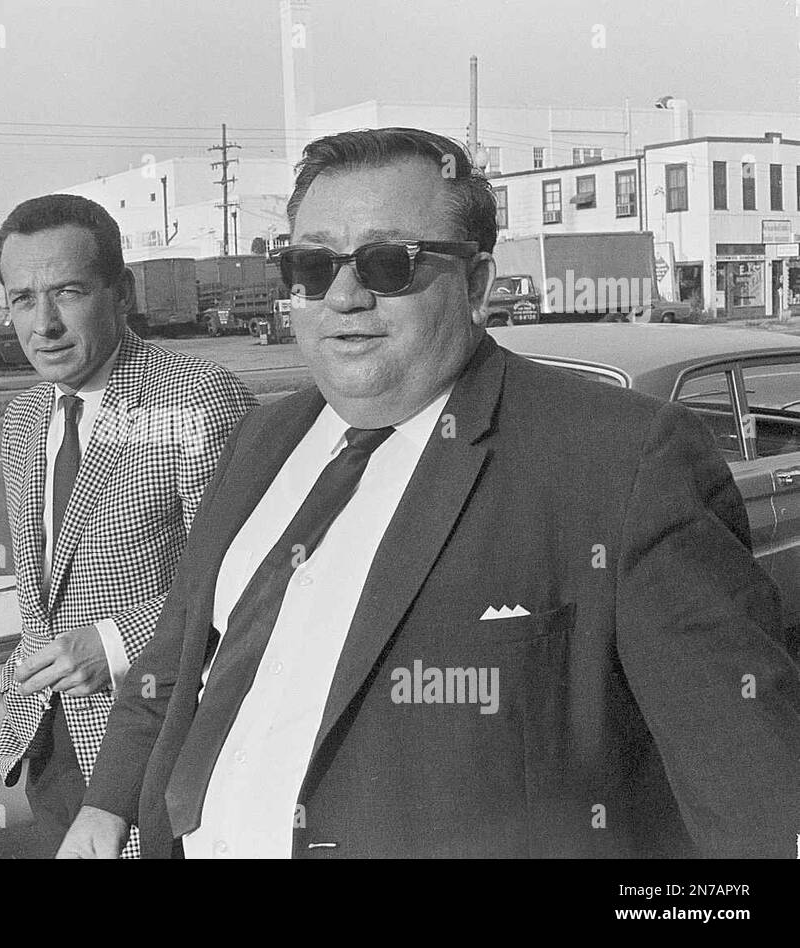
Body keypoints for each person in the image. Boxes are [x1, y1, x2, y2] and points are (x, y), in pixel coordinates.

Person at [59, 128, 800, 859]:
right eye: (312, 266)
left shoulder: (621, 462)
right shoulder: (259, 441)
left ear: (476, 284)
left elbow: (749, 786)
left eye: (387, 263)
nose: (343, 296)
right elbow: (180, 651)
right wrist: (104, 804)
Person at [0, 193, 256, 857]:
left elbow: (251, 585)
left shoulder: (195, 397)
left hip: (152, 748)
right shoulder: (24, 419)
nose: (43, 324)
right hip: (46, 744)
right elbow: (48, 589)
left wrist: (113, 643)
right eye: (23, 299)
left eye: (68, 292)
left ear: (122, 292)